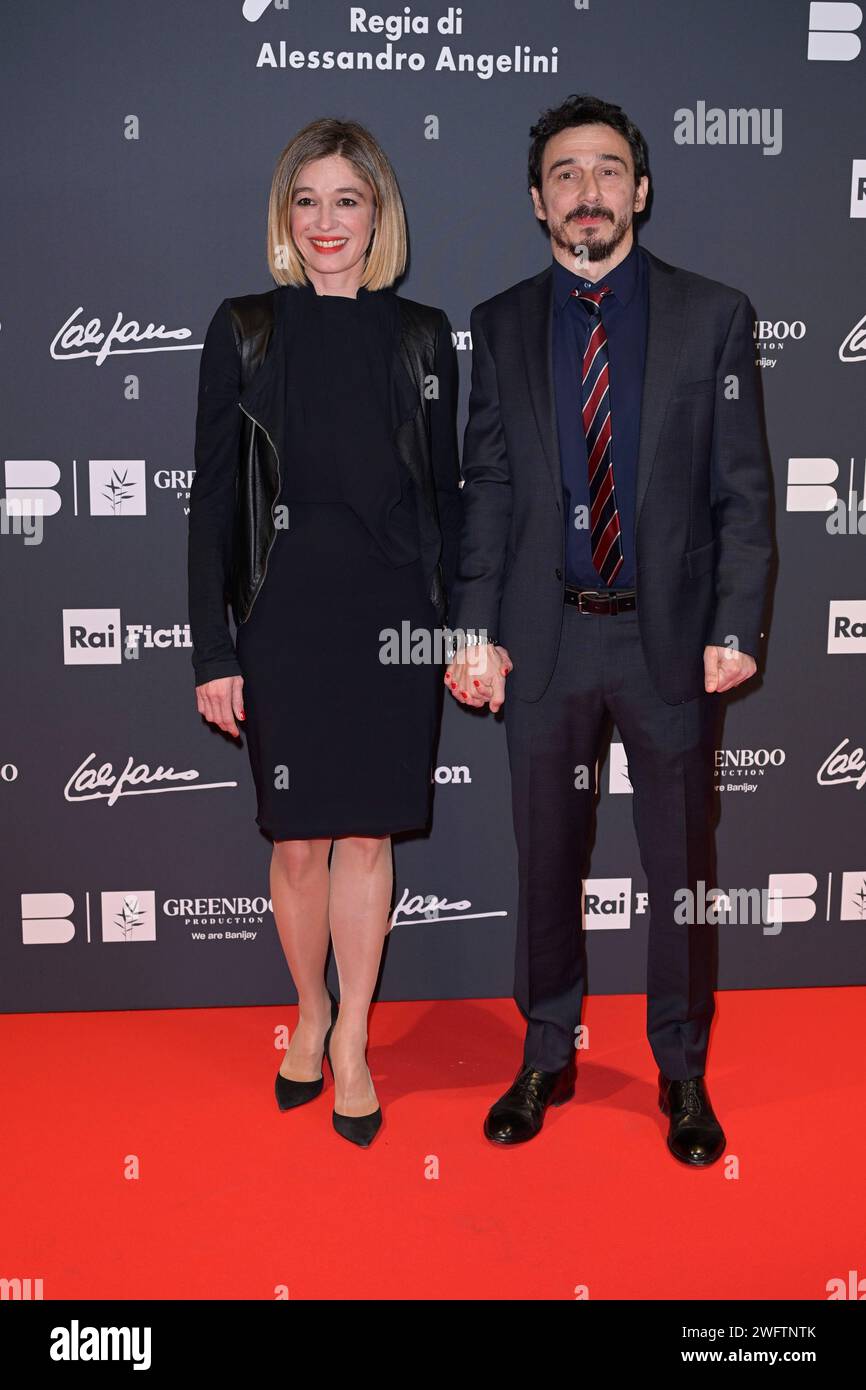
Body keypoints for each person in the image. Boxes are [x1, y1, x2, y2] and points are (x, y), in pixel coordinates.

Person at [445, 93, 774, 1165]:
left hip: (667, 639)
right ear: (535, 201)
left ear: (638, 190)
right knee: (546, 857)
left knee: (678, 863)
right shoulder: (496, 324)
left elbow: (741, 492)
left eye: (603, 172)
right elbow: (485, 485)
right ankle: (547, 1049)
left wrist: (734, 621)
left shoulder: (711, 313)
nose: (584, 192)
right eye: (562, 175)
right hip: (543, 638)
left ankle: (679, 1070)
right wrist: (471, 627)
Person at [188, 117, 460, 1148]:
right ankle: (308, 1007)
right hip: (283, 616)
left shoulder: (420, 337)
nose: (325, 221)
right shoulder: (245, 327)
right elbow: (212, 502)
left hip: (394, 619)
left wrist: (457, 630)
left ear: (376, 213)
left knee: (366, 834)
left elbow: (445, 496)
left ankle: (351, 1039)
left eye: (346, 199)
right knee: (299, 841)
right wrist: (213, 650)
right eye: (306, 200)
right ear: (283, 217)